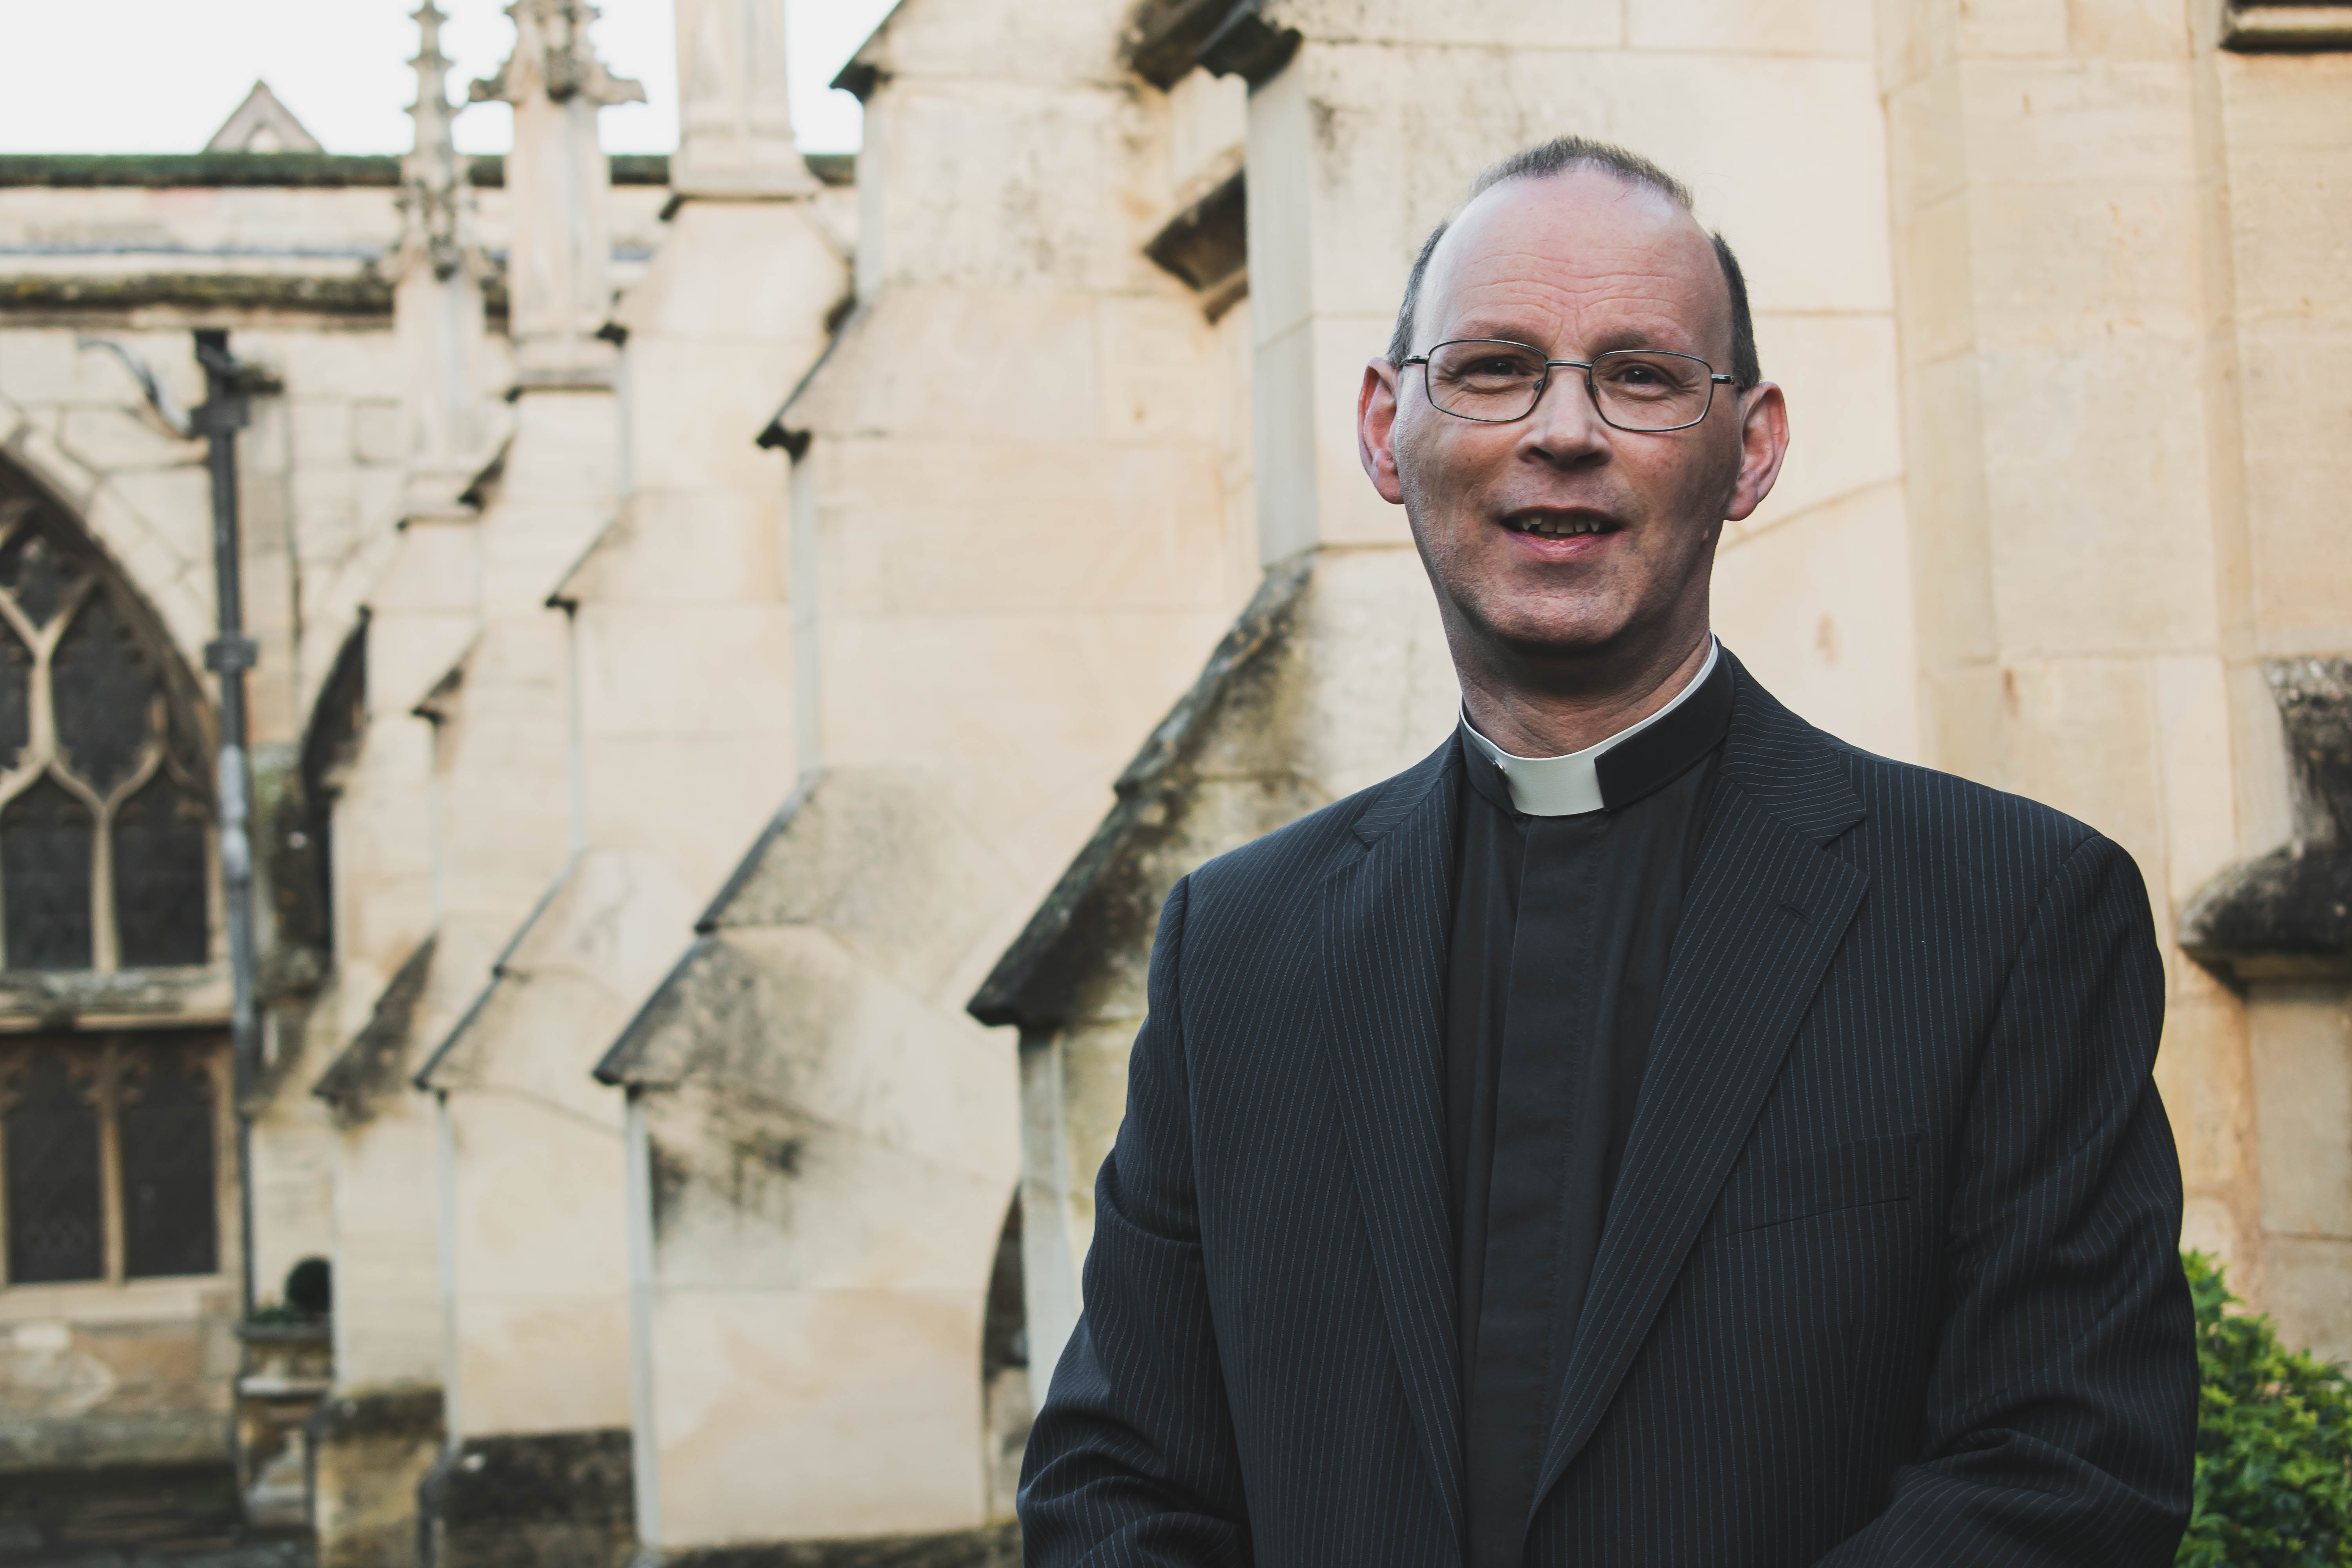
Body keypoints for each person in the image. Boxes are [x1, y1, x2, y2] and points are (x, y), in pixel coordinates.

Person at [1016, 136, 2197, 1567]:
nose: (1562, 430)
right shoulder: (1239, 945)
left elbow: (2067, 1472)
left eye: (1640, 377)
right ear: (1388, 430)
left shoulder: (2008, 912)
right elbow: (1115, 1480)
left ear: (1750, 448)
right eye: (1495, 366)